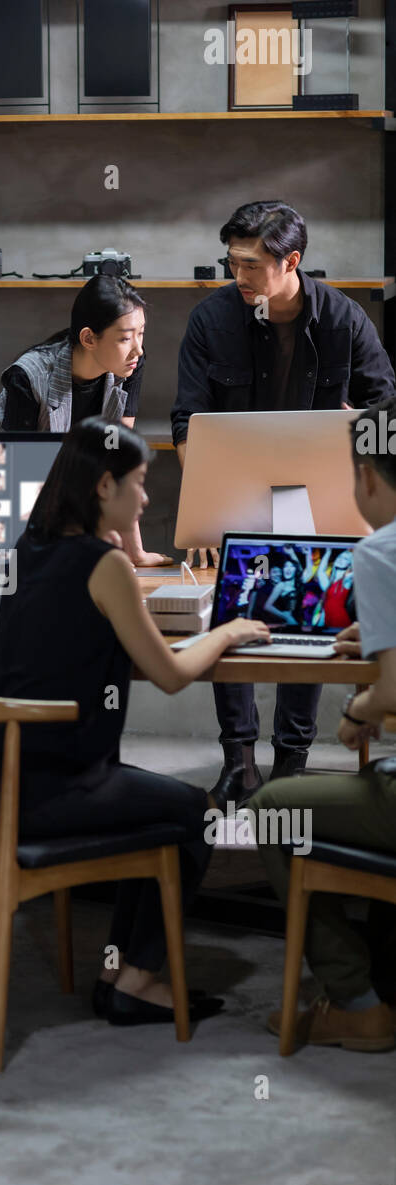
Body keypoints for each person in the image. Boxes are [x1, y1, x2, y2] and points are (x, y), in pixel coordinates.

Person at [0, 418, 271, 1025]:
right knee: (197, 813)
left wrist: (125, 541)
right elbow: (173, 675)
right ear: (105, 486)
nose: (147, 498)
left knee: (157, 810)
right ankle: (135, 979)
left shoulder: (32, 548)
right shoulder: (104, 567)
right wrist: (229, 630)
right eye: (139, 482)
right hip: (54, 789)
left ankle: (120, 971)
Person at [171, 202, 396, 810]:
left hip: (321, 496)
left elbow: (387, 413)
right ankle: (238, 762)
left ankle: (290, 764)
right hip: (237, 495)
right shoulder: (211, 320)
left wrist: (363, 428)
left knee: (309, 622)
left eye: (250, 265)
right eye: (231, 263)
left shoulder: (345, 320)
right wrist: (205, 498)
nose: (238, 276)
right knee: (233, 622)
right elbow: (186, 421)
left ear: (290, 261)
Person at [247, 399, 396, 1052]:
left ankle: (358, 1003)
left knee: (272, 807)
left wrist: (356, 711)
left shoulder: (380, 551)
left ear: (365, 474)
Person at [0, 274, 171, 567]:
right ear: (88, 338)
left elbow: (119, 460)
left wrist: (134, 553)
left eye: (141, 333)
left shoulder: (130, 365)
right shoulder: (29, 376)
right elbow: (21, 479)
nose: (137, 348)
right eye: (125, 337)